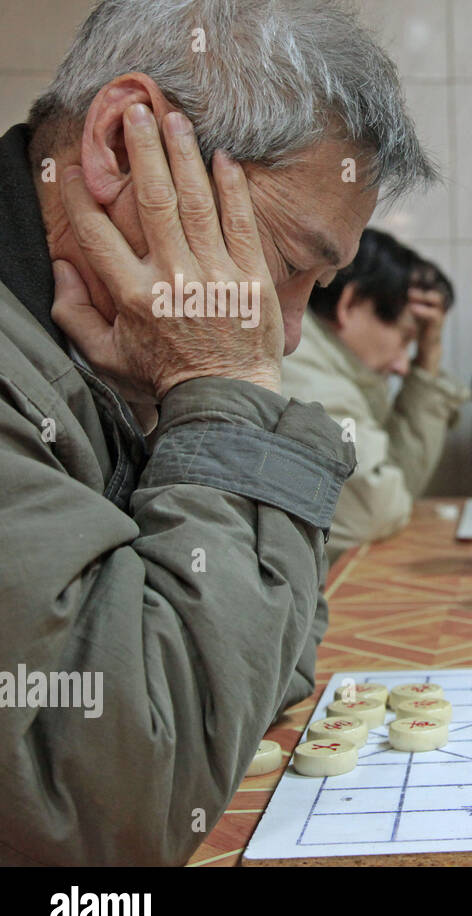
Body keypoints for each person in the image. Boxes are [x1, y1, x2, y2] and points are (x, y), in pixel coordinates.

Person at [0, 0, 433, 864]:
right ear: (125, 148)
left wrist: (173, 408)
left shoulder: (104, 349)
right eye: (286, 263)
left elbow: (271, 662)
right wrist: (220, 389)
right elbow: (125, 803)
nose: (288, 334)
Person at [282, 229, 469, 561]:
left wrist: (428, 364)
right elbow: (374, 513)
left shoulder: (340, 369)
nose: (401, 365)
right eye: (405, 336)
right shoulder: (300, 364)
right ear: (350, 302)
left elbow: (399, 485)